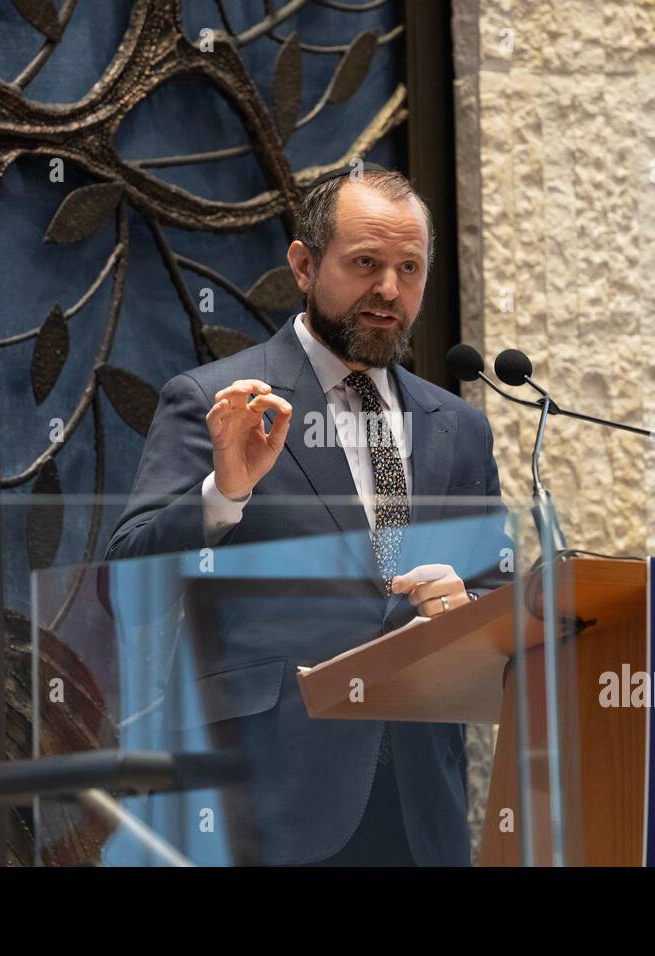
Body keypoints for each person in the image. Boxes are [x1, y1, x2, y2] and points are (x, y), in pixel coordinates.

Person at [106, 167, 510, 866]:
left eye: (408, 268)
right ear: (303, 264)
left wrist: (468, 604)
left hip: (420, 805)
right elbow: (127, 581)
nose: (388, 289)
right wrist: (221, 495)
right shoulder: (216, 400)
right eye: (365, 264)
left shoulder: (459, 428)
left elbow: (503, 596)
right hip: (267, 799)